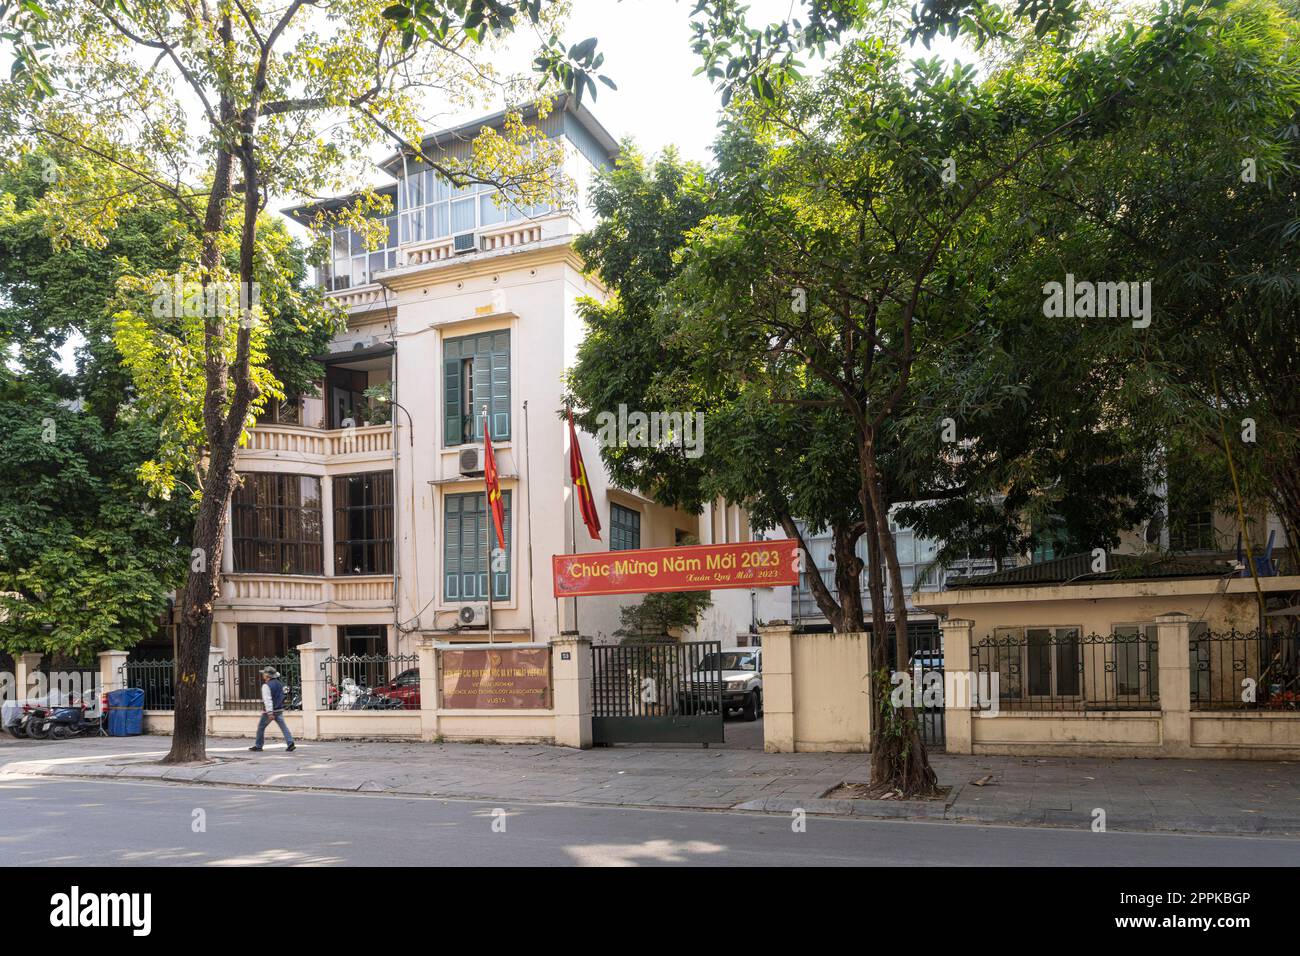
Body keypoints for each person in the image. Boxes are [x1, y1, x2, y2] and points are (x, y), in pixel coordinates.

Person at [249, 666, 295, 752]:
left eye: (264, 674)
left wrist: (269, 712)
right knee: (283, 727)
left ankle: (258, 745)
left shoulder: (266, 686)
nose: (263, 675)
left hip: (271, 711)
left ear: (267, 676)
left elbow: (268, 700)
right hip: (279, 709)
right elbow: (281, 696)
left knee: (261, 727)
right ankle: (290, 743)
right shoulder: (279, 683)